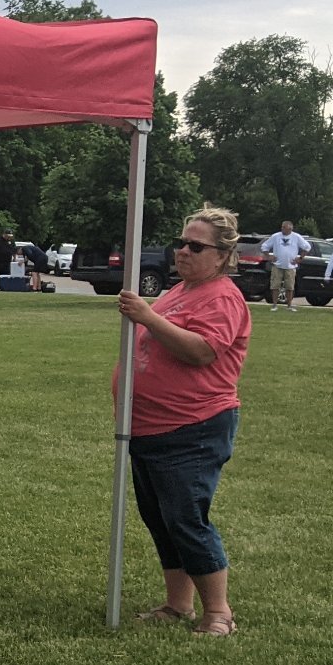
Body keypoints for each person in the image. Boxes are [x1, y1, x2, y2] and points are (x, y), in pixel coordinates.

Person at [114, 206, 251, 637]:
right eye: (180, 243)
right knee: (161, 520)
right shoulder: (179, 291)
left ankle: (219, 614)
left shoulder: (222, 297)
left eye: (196, 246)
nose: (183, 252)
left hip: (193, 427)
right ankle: (178, 605)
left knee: (187, 519)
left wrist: (147, 316)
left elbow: (202, 351)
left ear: (223, 255)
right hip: (149, 428)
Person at [259, 221, 311, 310]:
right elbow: (264, 246)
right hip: (277, 265)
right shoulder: (276, 236)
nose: (282, 229)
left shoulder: (296, 237)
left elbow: (307, 247)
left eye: (284, 227)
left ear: (290, 229)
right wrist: (269, 256)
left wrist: (300, 258)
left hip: (290, 266)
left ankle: (289, 305)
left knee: (290, 286)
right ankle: (274, 305)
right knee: (275, 285)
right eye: (282, 227)